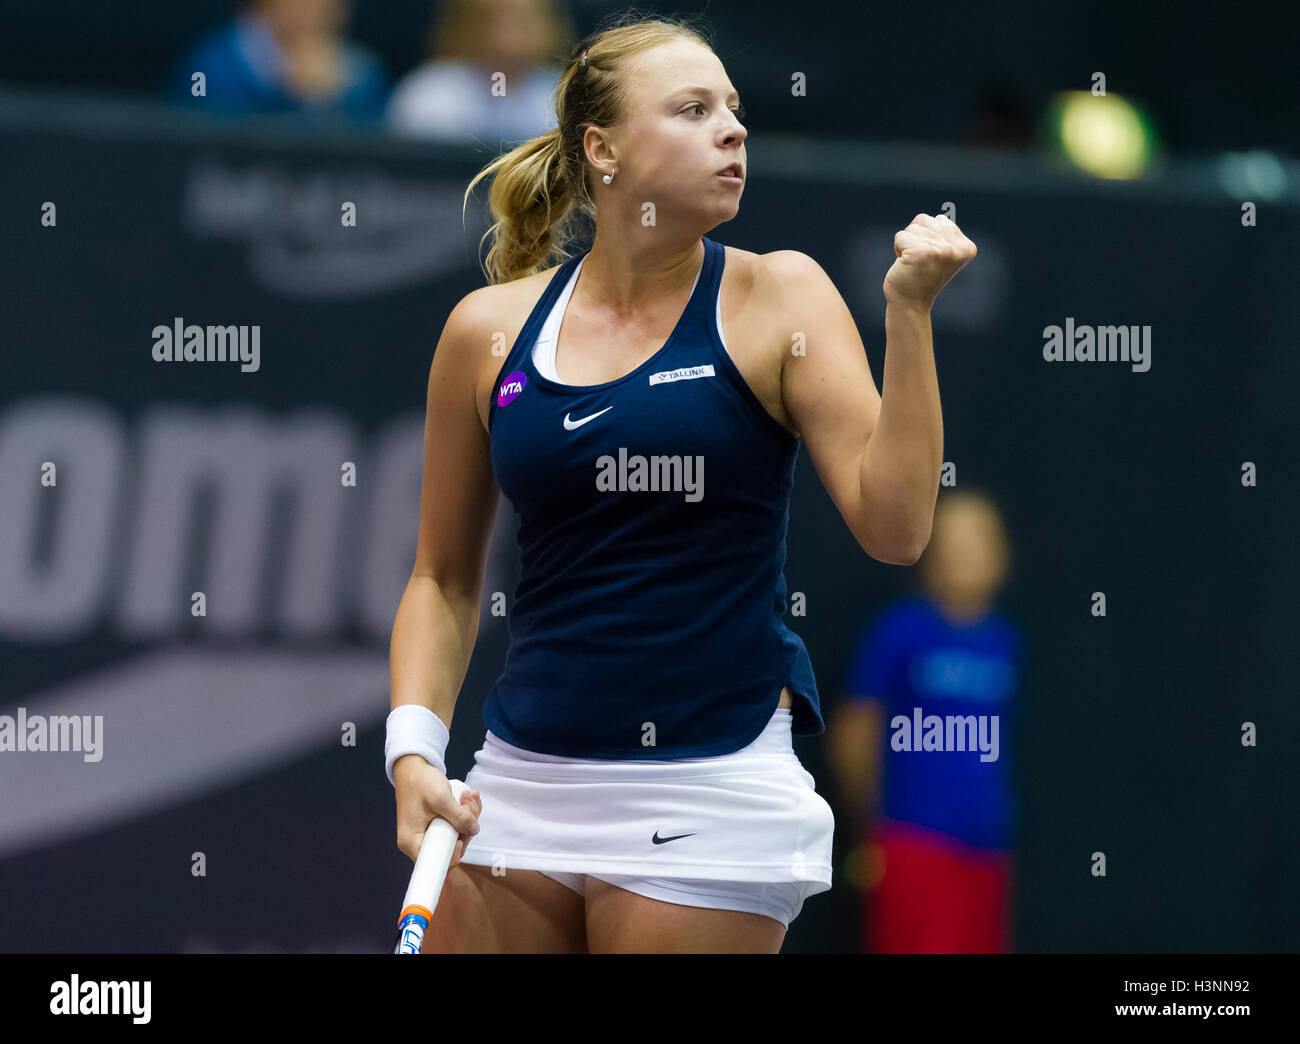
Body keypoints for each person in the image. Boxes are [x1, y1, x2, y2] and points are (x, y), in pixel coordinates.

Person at [384, 12, 978, 954]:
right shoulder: (486, 331)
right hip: (520, 778)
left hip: (711, 781)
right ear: (602, 149)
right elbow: (444, 581)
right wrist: (413, 747)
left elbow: (896, 527)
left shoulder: (781, 296)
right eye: (695, 110)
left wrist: (909, 317)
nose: (734, 129)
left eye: (735, 110)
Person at [831, 490, 1020, 953]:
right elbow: (854, 730)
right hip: (912, 843)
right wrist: (872, 825)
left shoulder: (1005, 643)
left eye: (979, 541)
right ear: (930, 556)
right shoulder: (899, 631)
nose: (967, 554)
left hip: (986, 847)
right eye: (954, 542)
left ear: (1001, 557)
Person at [386, 0, 571, 146]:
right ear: (465, 25)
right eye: (493, 21)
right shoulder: (428, 93)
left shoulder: (565, 96)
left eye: (520, 22)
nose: (506, 37)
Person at [169, 0, 389, 121]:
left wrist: (327, 101)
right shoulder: (211, 67)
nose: (320, 8)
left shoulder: (362, 78)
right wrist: (287, 93)